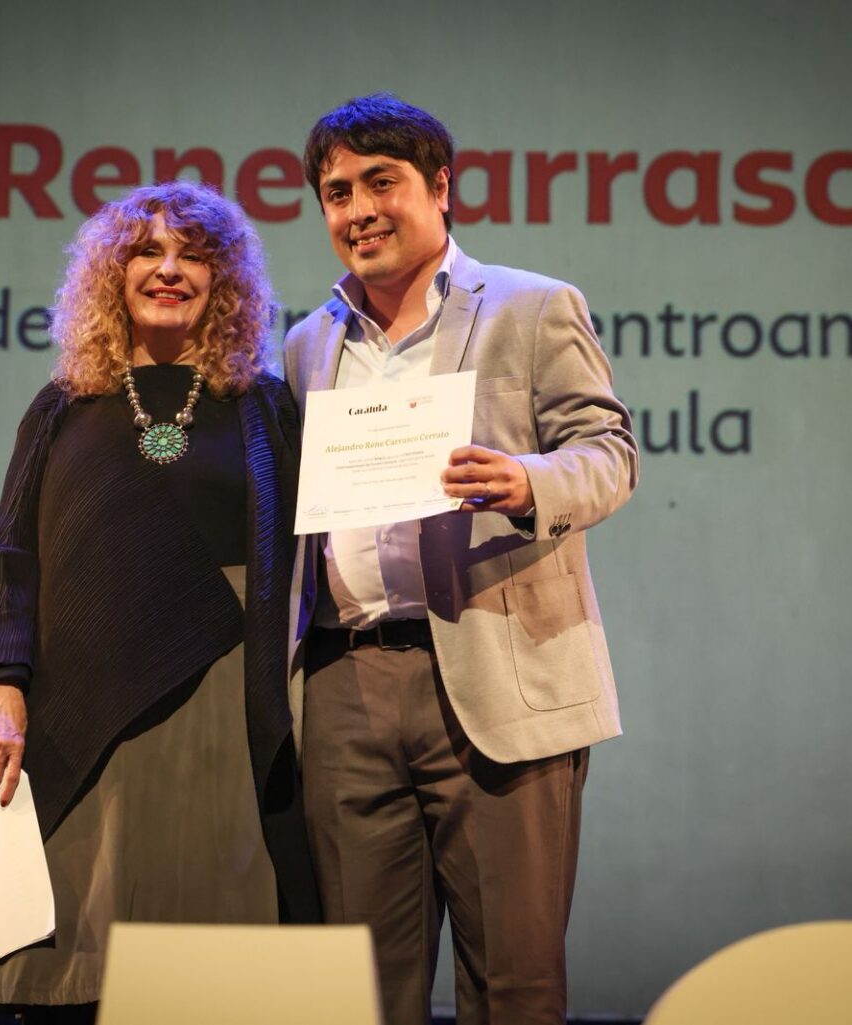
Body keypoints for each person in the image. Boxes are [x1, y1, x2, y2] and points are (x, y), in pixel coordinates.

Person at [283, 94, 640, 1025]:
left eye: (380, 182)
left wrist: (526, 482)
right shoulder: (305, 344)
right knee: (358, 993)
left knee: (511, 988)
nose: (356, 209)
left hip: (495, 680)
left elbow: (609, 454)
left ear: (441, 186)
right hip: (347, 689)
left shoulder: (530, 306)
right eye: (335, 192)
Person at [0, 181, 318, 1022]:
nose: (169, 270)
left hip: (224, 710)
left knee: (216, 961)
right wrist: (2, 683)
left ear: (224, 281)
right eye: (146, 253)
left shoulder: (264, 407)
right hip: (83, 709)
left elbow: (315, 548)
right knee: (89, 946)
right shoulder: (63, 408)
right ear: (110, 277)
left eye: (194, 255)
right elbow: (9, 555)